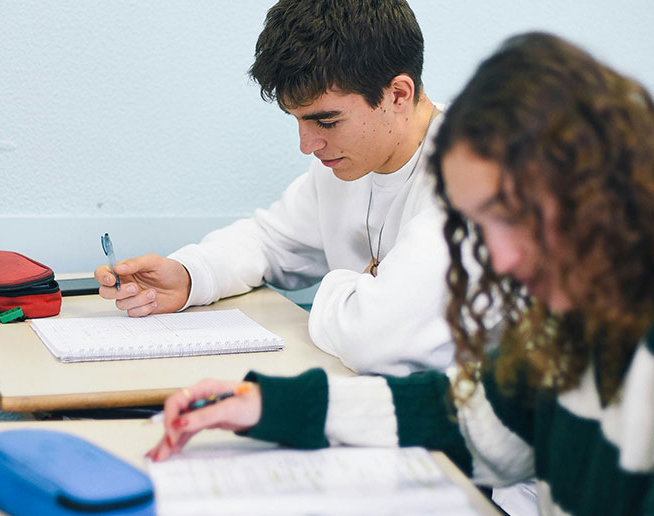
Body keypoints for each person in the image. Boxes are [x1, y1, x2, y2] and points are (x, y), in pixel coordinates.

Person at [146, 32, 654, 515]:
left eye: (511, 216)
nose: (497, 261)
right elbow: (476, 421)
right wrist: (268, 404)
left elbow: (376, 337)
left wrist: (340, 284)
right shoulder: (562, 333)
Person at [94, 0, 455, 376]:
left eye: (327, 121)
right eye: (297, 120)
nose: (307, 145)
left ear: (398, 94)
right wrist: (190, 276)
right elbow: (269, 242)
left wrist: (337, 291)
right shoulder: (347, 165)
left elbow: (374, 341)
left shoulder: (479, 176)